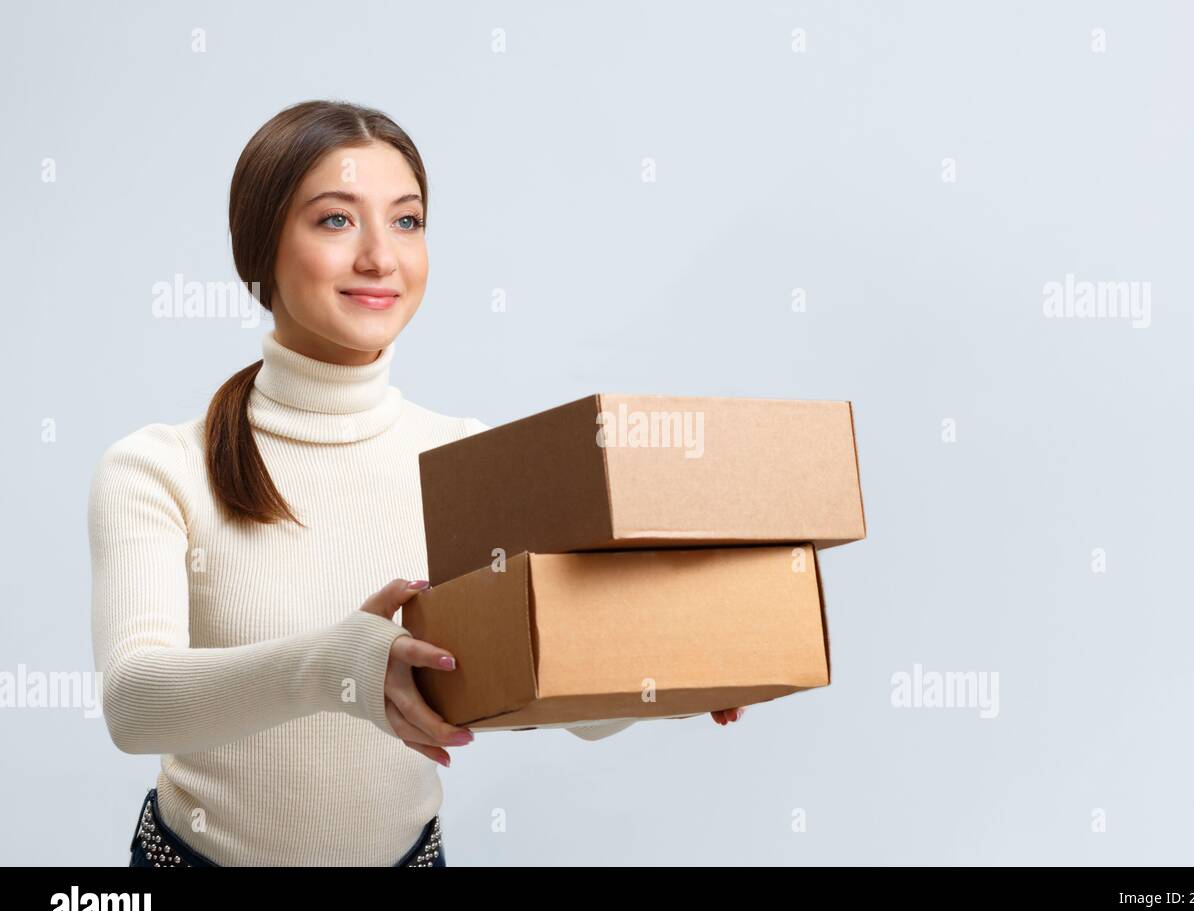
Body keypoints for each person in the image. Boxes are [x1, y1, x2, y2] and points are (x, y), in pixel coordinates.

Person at [89, 99, 743, 868]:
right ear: (260, 246)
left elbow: (529, 682)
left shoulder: (468, 461)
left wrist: (666, 679)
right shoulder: (157, 468)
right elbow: (135, 705)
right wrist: (340, 666)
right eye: (336, 220)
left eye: (406, 221)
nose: (380, 257)